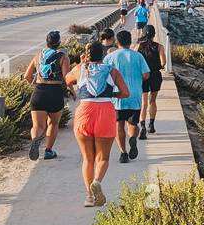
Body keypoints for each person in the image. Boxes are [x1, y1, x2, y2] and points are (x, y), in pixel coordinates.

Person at [66, 41, 129, 206]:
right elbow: (125, 93)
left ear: (86, 55)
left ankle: (89, 197)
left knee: (87, 158)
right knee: (103, 157)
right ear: (104, 55)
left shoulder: (80, 69)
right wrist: (111, 94)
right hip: (105, 111)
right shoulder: (112, 71)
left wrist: (80, 65)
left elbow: (66, 80)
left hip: (84, 111)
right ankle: (97, 182)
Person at [23, 29, 70, 161]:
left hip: (39, 92)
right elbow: (67, 78)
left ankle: (35, 141)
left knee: (37, 126)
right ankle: (48, 151)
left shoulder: (38, 56)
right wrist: (71, 90)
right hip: (55, 92)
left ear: (46, 42)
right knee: (53, 124)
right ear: (59, 43)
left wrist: (37, 85)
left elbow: (27, 76)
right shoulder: (62, 57)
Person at [107, 29, 149, 162]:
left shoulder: (110, 57)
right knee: (132, 124)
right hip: (135, 95)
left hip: (117, 97)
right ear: (130, 42)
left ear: (117, 42)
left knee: (118, 125)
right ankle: (132, 138)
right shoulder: (138, 56)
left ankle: (123, 153)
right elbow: (146, 75)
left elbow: (104, 75)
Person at [136, 24, 166, 137]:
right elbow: (163, 62)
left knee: (143, 103)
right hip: (155, 76)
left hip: (143, 76)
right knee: (152, 101)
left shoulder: (139, 46)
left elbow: (135, 60)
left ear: (143, 34)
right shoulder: (159, 47)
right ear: (154, 34)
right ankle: (151, 125)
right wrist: (159, 65)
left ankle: (142, 126)